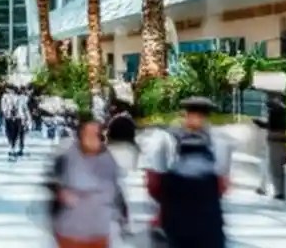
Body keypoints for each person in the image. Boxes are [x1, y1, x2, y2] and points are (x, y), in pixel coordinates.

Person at [144, 96, 230, 248]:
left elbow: (154, 182)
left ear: (185, 114)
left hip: (178, 216)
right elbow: (222, 184)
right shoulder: (218, 142)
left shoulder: (167, 138)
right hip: (205, 219)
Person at [49, 114, 124, 248]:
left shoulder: (109, 159)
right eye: (89, 132)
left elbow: (116, 190)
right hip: (70, 232)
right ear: (81, 134)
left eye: (97, 133)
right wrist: (61, 193)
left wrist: (121, 215)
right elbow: (53, 185)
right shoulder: (66, 157)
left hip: (99, 231)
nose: (93, 137)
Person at [255, 91, 286, 201]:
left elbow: (271, 125)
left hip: (275, 141)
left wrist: (261, 124)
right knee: (269, 164)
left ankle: (277, 191)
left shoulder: (278, 111)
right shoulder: (280, 110)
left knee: (274, 166)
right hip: (275, 141)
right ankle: (266, 188)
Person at [1, 85, 27, 160]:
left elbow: (24, 108)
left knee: (15, 133)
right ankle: (12, 147)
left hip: (17, 117)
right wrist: (6, 112)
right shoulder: (5, 97)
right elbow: (3, 107)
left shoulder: (20, 98)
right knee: (10, 133)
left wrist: (25, 118)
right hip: (9, 117)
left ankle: (13, 147)